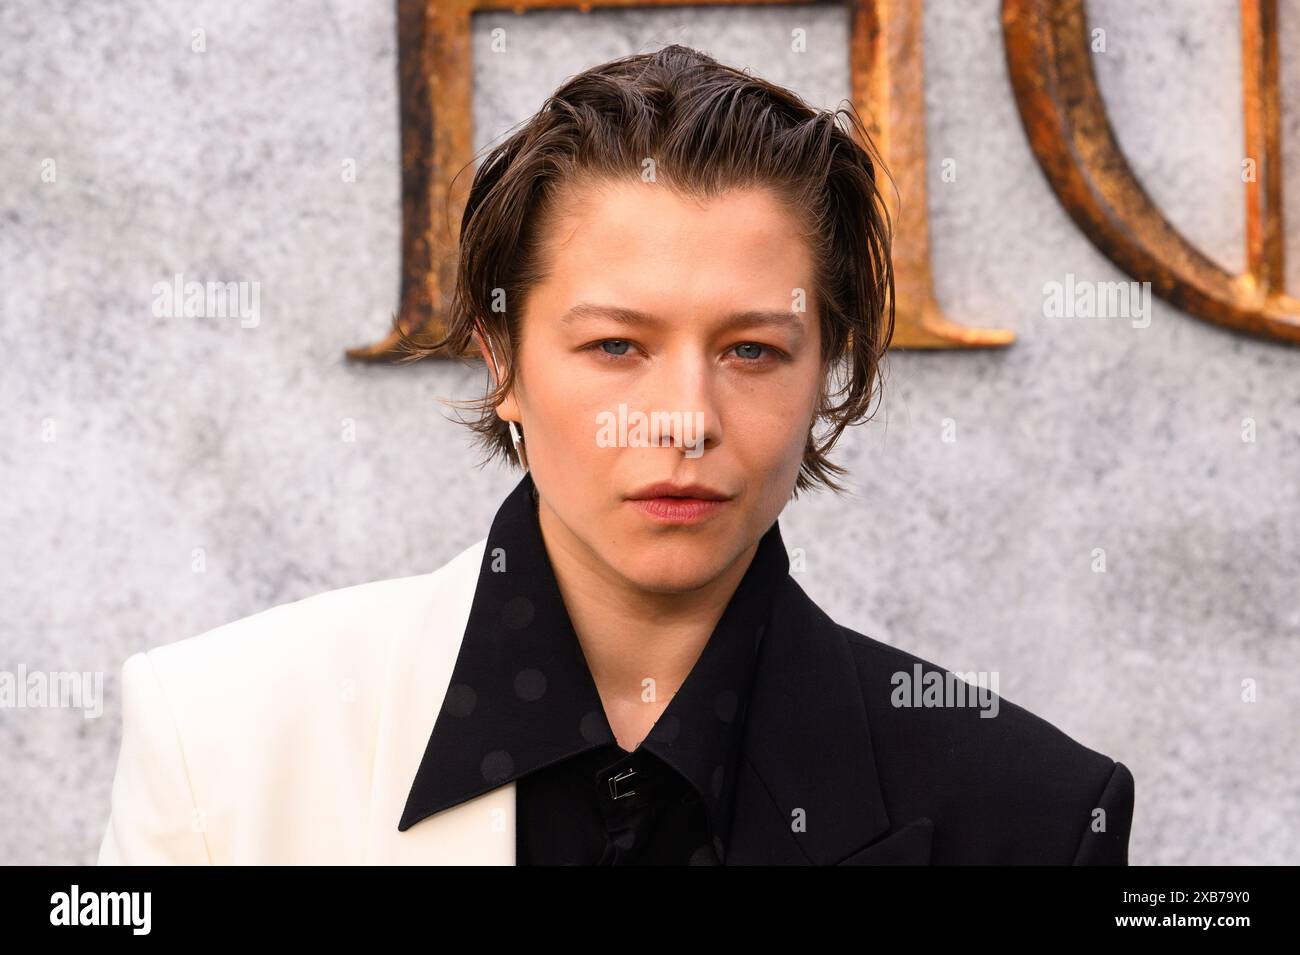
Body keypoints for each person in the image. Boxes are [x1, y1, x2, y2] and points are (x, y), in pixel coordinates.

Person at [97, 44, 1133, 865]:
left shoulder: (1030, 810)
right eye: (614, 346)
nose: (682, 418)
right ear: (501, 359)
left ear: (828, 369)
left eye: (752, 350)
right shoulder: (220, 741)